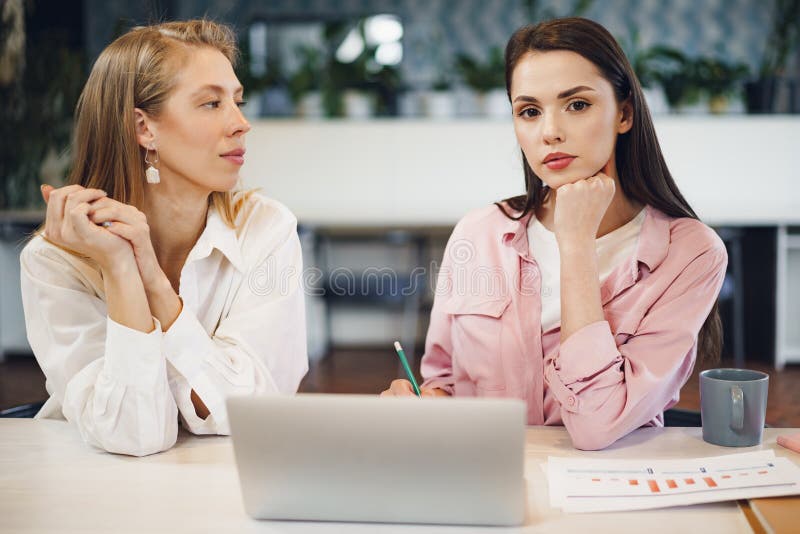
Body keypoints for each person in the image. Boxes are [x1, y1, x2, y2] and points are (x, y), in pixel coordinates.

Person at [381, 17, 727, 451]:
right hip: (485, 478)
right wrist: (425, 402)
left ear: (624, 113)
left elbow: (596, 426)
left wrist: (576, 242)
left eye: (577, 104)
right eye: (529, 111)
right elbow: (444, 379)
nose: (549, 132)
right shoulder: (479, 233)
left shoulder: (691, 252)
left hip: (609, 492)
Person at [20, 20, 308, 456]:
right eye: (212, 103)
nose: (241, 123)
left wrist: (153, 282)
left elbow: (256, 410)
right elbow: (134, 434)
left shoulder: (266, 229)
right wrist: (119, 267)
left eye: (238, 100)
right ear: (144, 128)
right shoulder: (54, 261)